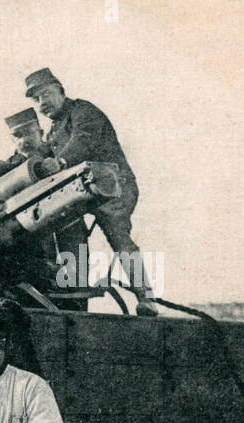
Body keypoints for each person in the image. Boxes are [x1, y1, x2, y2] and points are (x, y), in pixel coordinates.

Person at [25, 68, 158, 315]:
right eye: (36, 100)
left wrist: (61, 162)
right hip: (82, 191)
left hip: (113, 186)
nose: (42, 103)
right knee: (67, 234)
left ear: (60, 89)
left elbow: (83, 140)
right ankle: (75, 300)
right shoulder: (54, 130)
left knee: (118, 236)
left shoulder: (84, 112)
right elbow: (41, 155)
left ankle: (146, 297)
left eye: (46, 94)